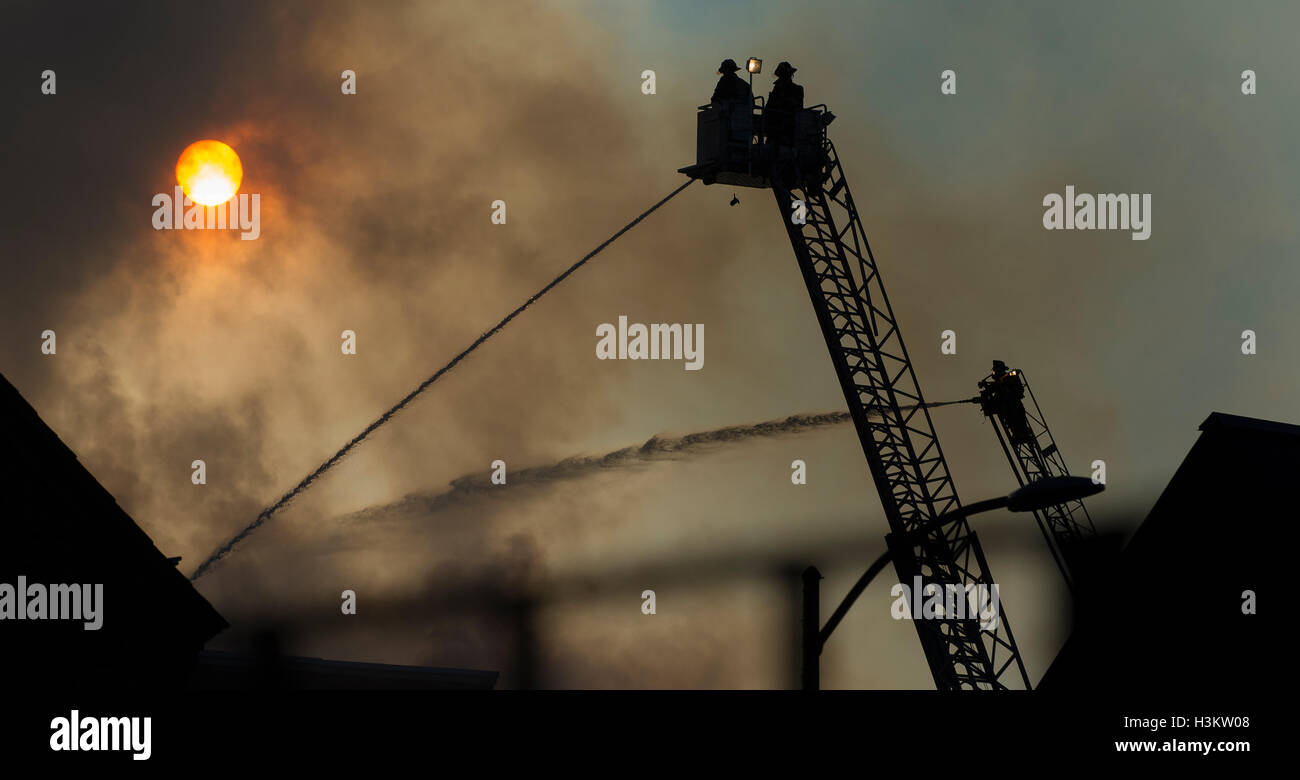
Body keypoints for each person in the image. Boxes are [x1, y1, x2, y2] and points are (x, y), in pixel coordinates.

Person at [765, 61, 803, 146]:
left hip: (789, 128)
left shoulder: (797, 89)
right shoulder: (777, 89)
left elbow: (798, 108)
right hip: (775, 128)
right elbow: (768, 108)